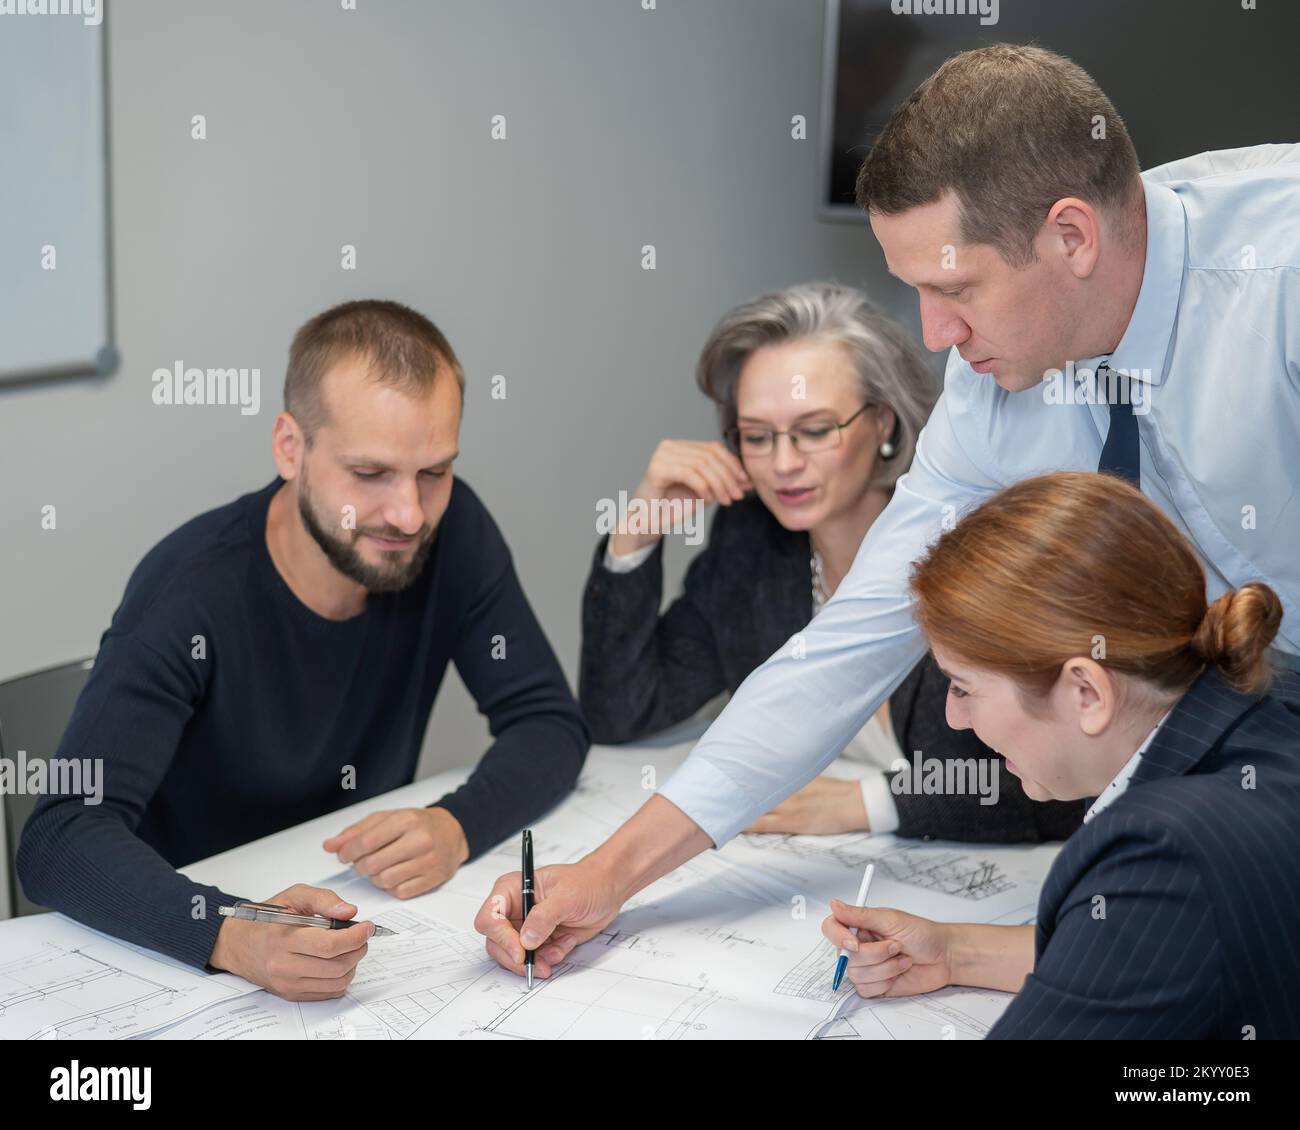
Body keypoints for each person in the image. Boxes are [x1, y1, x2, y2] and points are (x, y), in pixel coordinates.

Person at [472, 45, 1300, 985]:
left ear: (1072, 236)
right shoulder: (991, 388)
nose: (934, 333)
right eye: (916, 289)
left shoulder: (1281, 281)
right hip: (1227, 743)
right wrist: (607, 876)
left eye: (954, 289)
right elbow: (843, 648)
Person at [18, 299, 589, 1001]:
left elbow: (549, 721)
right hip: (180, 958)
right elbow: (59, 836)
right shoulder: (189, 590)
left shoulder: (454, 530)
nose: (409, 515)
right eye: (371, 474)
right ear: (291, 448)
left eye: (434, 473)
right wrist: (231, 931)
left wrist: (456, 825)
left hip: (369, 928)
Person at [581, 281, 1080, 841]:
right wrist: (636, 533)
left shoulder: (979, 538)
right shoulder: (751, 540)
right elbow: (621, 715)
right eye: (757, 436)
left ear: (884, 424)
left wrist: (869, 804)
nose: (784, 463)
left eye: (815, 430)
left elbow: (1074, 772)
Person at [821, 472, 1300, 1039]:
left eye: (964, 686)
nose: (953, 717)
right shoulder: (1269, 705)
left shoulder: (1168, 850)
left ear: (1087, 693)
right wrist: (954, 952)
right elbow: (1147, 948)